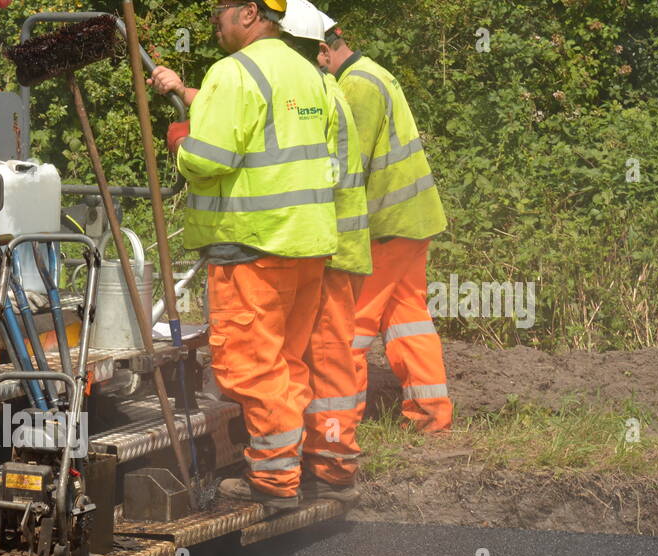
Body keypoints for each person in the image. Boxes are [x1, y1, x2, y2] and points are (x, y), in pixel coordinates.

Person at [152, 0, 337, 512]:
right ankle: (290, 469)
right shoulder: (310, 74)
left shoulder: (232, 72)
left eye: (222, 10)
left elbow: (211, 157)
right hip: (306, 243)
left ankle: (275, 484)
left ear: (251, 12)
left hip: (251, 245)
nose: (215, 18)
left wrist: (180, 142)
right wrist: (187, 94)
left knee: (249, 366)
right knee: (287, 361)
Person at [317, 14, 453, 432]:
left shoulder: (356, 86)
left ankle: (338, 426)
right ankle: (430, 416)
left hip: (387, 224)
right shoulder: (373, 72)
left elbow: (344, 166)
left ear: (324, 50)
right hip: (413, 219)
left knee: (350, 326)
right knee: (407, 318)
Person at [279, 0, 371, 499]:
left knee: (324, 356)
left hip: (325, 248)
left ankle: (328, 463)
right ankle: (324, 458)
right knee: (323, 357)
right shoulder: (328, 92)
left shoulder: (316, 96)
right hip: (330, 245)